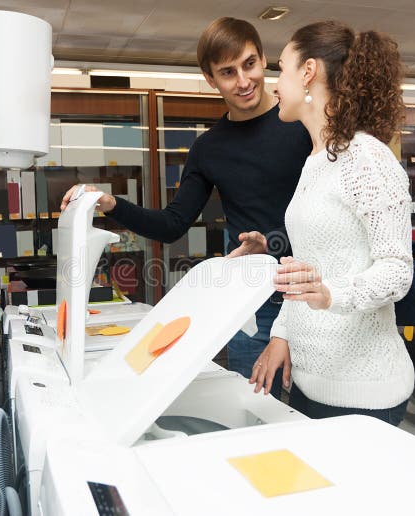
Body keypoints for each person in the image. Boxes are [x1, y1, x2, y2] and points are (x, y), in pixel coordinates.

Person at [60, 17, 312, 397]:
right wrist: (109, 203)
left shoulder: (302, 123)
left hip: (312, 290)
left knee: (315, 419)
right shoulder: (210, 148)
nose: (243, 81)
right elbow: (172, 224)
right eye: (228, 72)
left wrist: (273, 243)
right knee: (258, 412)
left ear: (264, 59)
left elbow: (328, 215)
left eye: (248, 64)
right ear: (210, 79)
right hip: (252, 301)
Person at [248, 21, 414, 425]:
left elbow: (397, 271)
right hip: (308, 384)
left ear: (308, 72)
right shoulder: (316, 161)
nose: (274, 84)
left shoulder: (366, 158)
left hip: (363, 394)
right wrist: (281, 334)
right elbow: (311, 266)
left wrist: (329, 294)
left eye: (281, 69)